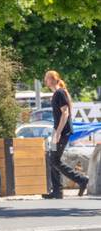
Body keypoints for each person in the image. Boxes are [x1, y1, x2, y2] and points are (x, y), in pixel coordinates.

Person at [44, 69, 89, 198]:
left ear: (52, 79)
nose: (45, 81)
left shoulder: (59, 93)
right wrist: (55, 132)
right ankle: (57, 191)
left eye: (47, 78)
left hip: (61, 132)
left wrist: (58, 133)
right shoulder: (57, 94)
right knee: (52, 159)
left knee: (54, 160)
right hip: (56, 131)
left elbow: (65, 113)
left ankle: (81, 180)